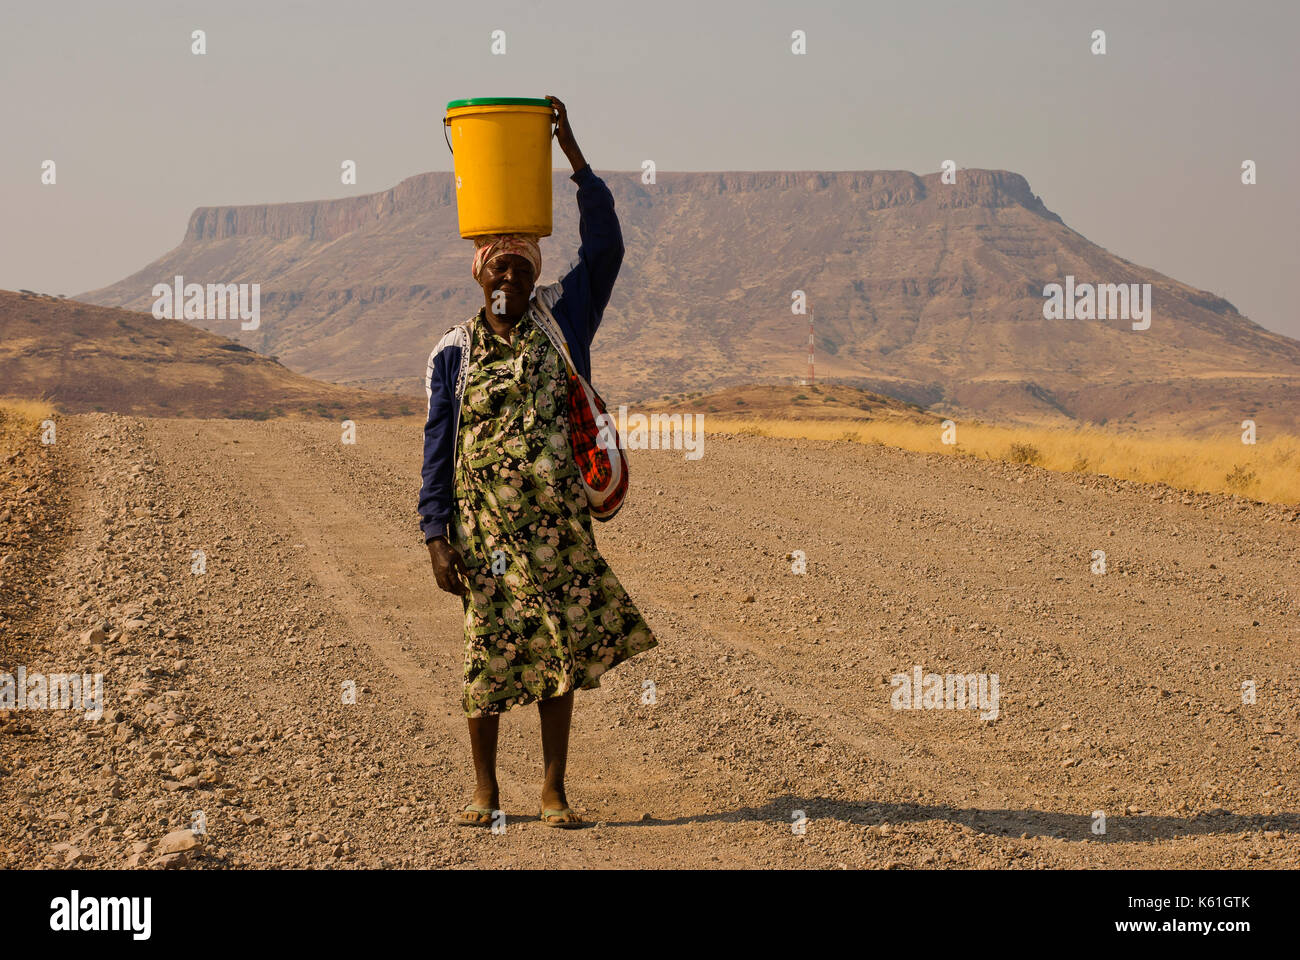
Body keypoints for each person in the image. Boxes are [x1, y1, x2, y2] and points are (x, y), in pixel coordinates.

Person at [418, 95, 657, 828]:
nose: (509, 282)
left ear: (532, 275)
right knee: (488, 655)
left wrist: (574, 158)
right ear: (480, 274)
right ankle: (485, 793)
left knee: (557, 653)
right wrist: (434, 533)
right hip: (484, 539)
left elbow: (608, 250)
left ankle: (553, 792)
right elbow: (436, 448)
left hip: (557, 529)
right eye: (499, 269)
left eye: (520, 270)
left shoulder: (563, 319)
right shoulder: (452, 352)